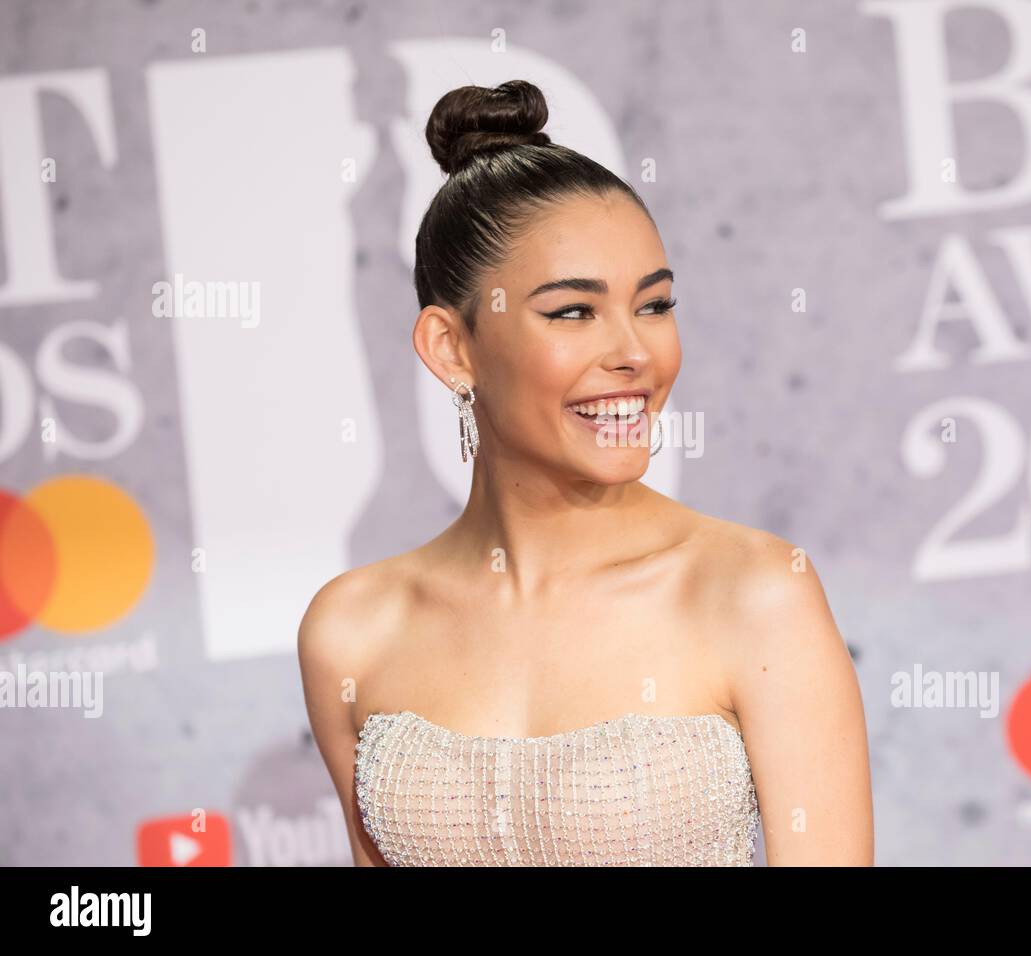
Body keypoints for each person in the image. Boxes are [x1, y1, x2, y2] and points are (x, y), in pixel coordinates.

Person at [297, 79, 873, 866]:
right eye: (572, 311)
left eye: (655, 306)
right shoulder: (353, 631)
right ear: (451, 348)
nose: (635, 353)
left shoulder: (755, 591)